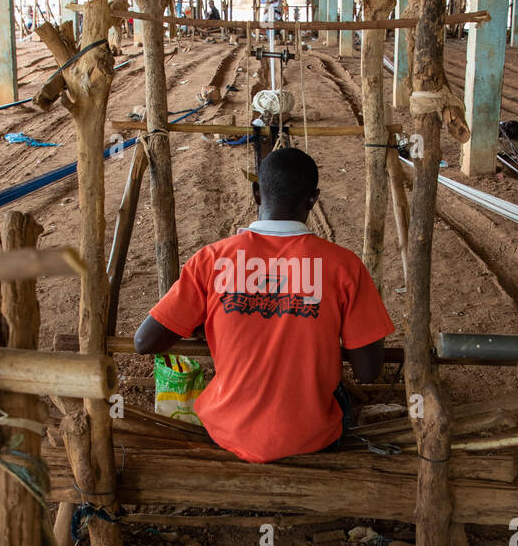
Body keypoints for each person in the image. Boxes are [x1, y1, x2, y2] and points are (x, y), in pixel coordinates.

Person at [134, 148, 393, 463]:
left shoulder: (212, 260)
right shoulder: (344, 266)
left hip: (227, 430)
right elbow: (368, 371)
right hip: (310, 436)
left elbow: (145, 341)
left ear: (256, 192)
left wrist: (212, 319)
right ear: (312, 199)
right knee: (338, 396)